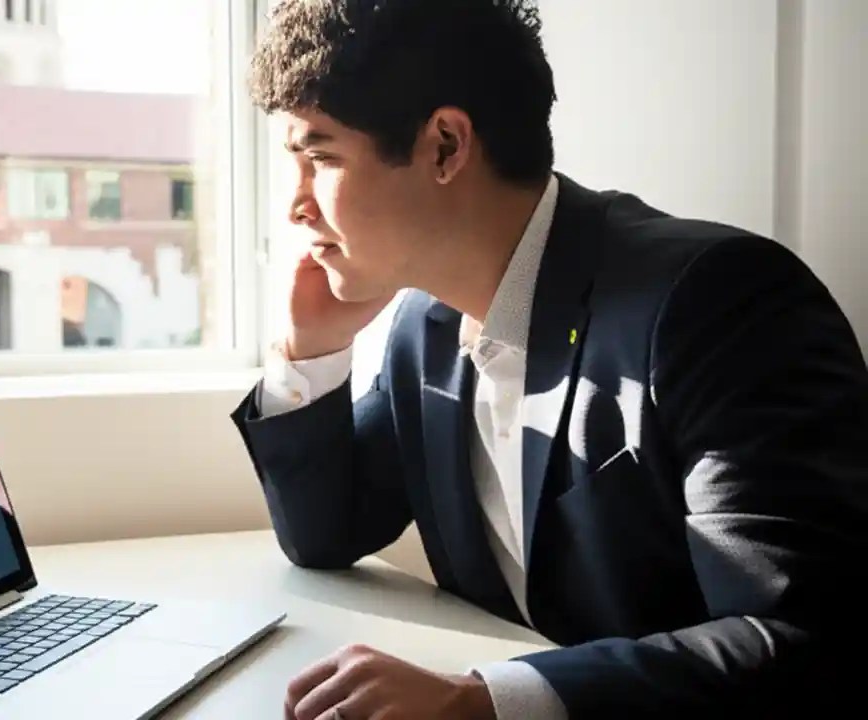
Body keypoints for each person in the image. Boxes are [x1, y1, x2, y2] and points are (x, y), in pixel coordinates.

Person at [229, 1, 868, 718]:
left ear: (445, 145)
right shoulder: (426, 327)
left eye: (320, 158)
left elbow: (806, 640)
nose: (295, 206)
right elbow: (326, 534)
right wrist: (307, 354)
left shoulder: (719, 303)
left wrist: (482, 704)